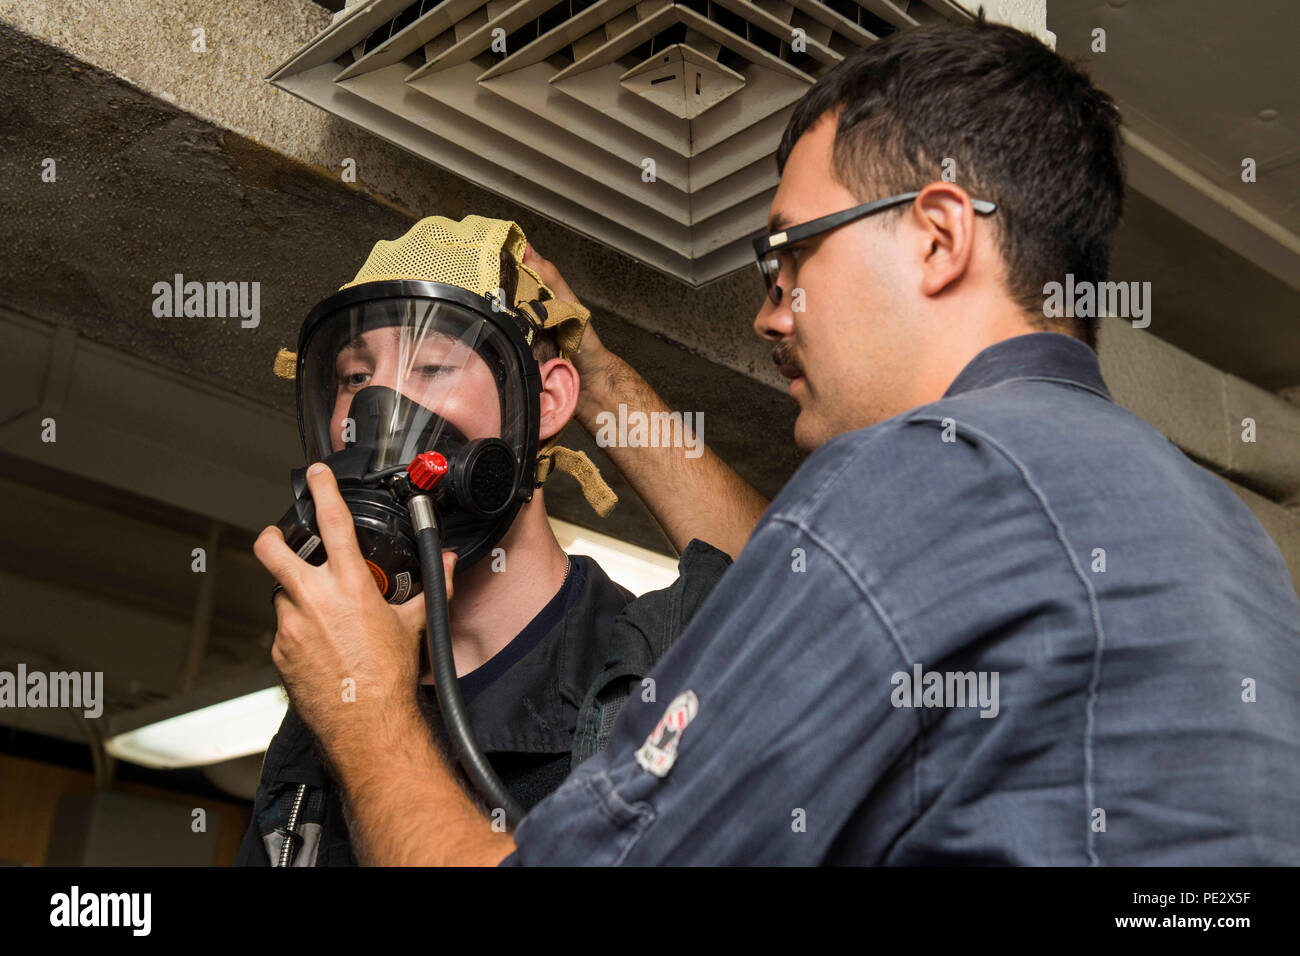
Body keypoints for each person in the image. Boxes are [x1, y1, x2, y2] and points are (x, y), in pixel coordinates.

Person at [255, 17, 1300, 865]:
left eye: (788, 254)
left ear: (937, 236)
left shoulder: (922, 482)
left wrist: (363, 711)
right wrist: (601, 371)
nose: (768, 312)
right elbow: (800, 580)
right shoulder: (1218, 532)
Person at [236, 215, 737, 865]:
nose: (376, 411)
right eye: (356, 379)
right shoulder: (321, 709)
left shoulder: (653, 676)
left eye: (435, 365)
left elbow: (791, 591)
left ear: (546, 402)